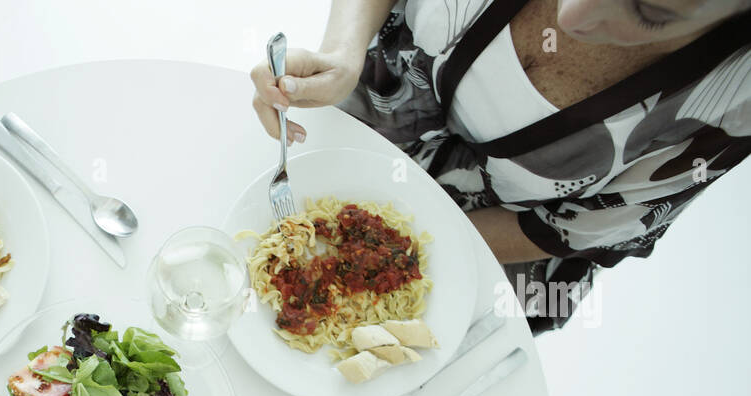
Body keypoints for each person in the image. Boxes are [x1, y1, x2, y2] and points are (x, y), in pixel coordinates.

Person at [249, 0, 751, 331]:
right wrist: (342, 52)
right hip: (375, 101)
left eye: (649, 10)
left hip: (495, 233)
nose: (571, 16)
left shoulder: (738, 99)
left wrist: (385, 258)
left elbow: (584, 229)